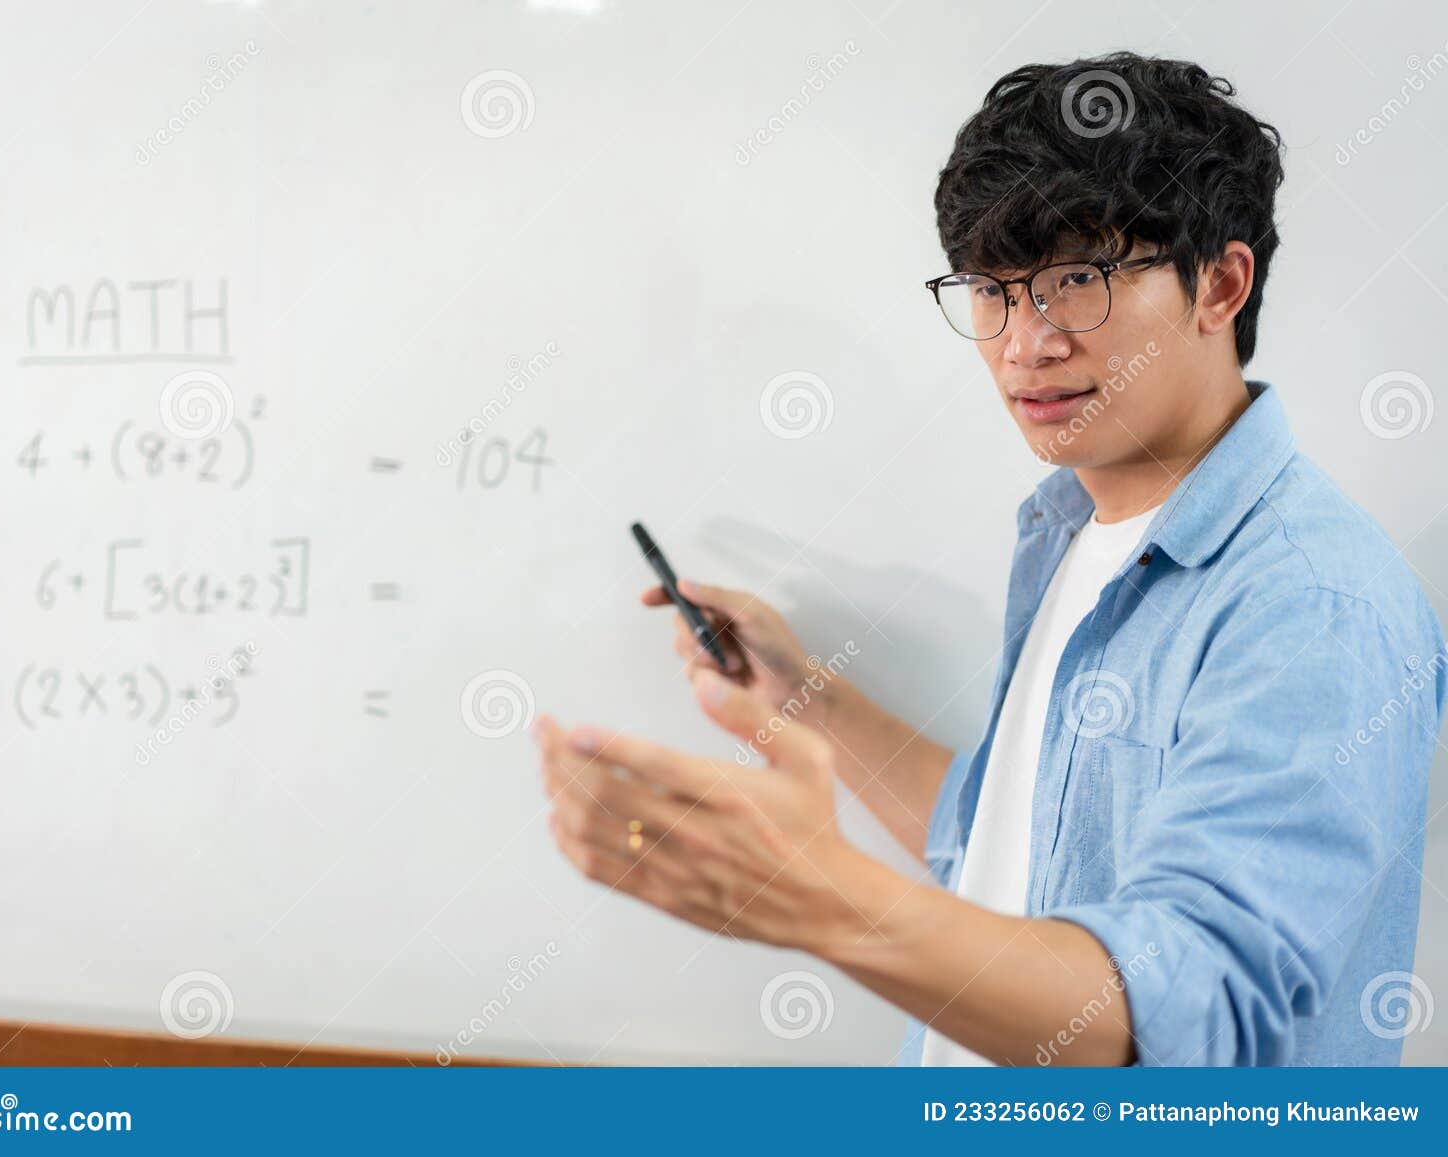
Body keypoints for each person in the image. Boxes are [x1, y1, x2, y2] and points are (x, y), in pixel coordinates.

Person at [533, 52, 1447, 1065]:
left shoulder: (1312, 600)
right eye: (991, 290)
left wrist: (815, 893)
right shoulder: (1072, 530)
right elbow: (1007, 848)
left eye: (1077, 281)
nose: (1024, 342)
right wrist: (808, 698)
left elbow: (1196, 1010)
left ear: (1220, 285)